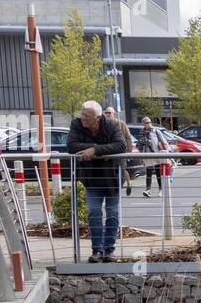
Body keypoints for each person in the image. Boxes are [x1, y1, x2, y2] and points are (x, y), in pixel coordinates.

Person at [69, 100, 127, 262]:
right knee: (94, 212)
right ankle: (97, 250)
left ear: (98, 118)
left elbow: (121, 145)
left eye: (87, 116)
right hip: (91, 177)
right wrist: (100, 148)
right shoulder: (76, 124)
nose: (83, 118)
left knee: (113, 213)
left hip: (112, 178)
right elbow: (72, 146)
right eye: (82, 114)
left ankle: (109, 250)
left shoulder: (111, 125)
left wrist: (94, 150)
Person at [106, 107, 137, 197]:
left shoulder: (121, 123)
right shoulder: (104, 124)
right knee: (112, 169)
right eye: (106, 113)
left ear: (114, 114)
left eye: (109, 113)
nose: (107, 114)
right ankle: (114, 187)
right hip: (109, 151)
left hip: (120, 151)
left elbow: (128, 136)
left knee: (122, 168)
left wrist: (129, 150)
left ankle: (127, 184)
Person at [137, 117, 164, 197]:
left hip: (156, 154)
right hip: (147, 154)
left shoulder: (155, 131)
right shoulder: (141, 132)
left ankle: (161, 189)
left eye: (149, 122)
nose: (148, 124)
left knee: (158, 173)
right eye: (146, 123)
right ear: (144, 124)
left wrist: (168, 151)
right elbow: (140, 144)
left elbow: (163, 141)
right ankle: (148, 190)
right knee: (148, 173)